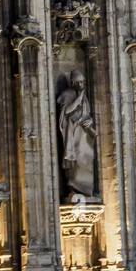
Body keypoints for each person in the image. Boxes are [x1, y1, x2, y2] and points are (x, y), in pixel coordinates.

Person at [57, 68, 97, 200]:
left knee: (85, 159)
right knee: (74, 161)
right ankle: (73, 189)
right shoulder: (67, 94)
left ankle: (85, 190)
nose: (81, 85)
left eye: (82, 82)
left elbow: (86, 113)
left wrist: (89, 120)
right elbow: (66, 111)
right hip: (72, 134)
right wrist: (78, 98)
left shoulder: (84, 97)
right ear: (73, 83)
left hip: (84, 134)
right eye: (78, 82)